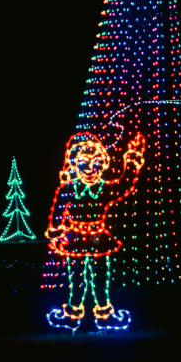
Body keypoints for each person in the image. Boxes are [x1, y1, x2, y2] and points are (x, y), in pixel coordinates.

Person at [46, 131, 145, 332]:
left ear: (102, 164)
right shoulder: (68, 190)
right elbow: (57, 212)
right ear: (75, 165)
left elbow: (124, 185)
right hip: (74, 239)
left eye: (96, 163)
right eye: (84, 163)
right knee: (76, 278)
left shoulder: (104, 189)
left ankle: (105, 314)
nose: (91, 169)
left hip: (98, 237)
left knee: (100, 277)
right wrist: (55, 229)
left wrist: (132, 160)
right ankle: (73, 313)